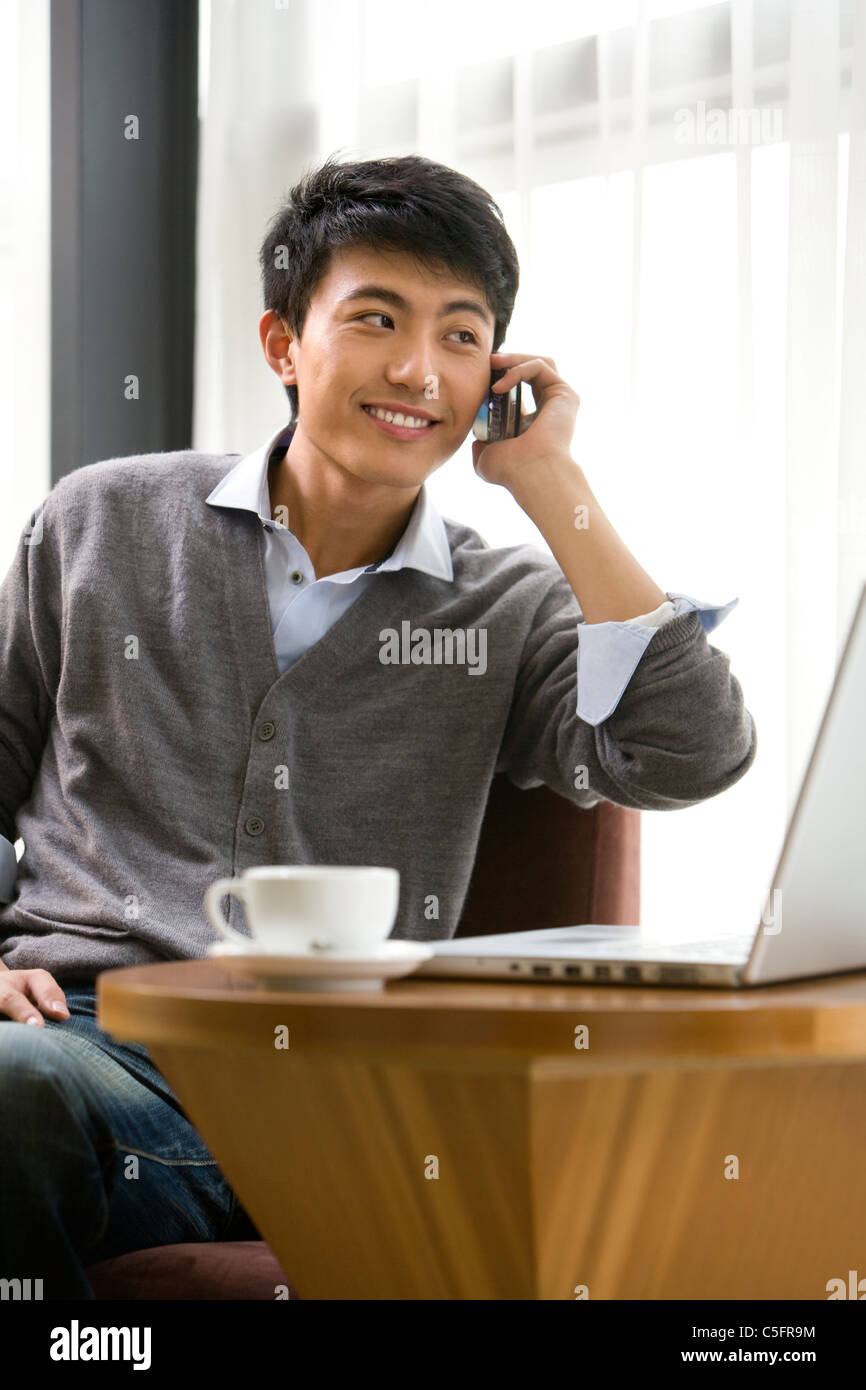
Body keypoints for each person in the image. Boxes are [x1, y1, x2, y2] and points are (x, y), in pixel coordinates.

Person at [0, 153, 757, 1299]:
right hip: (85, 1048)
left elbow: (691, 750)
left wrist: (552, 487)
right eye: (375, 318)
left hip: (341, 1097)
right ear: (281, 344)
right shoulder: (100, 519)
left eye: (462, 336)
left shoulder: (507, 604)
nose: (418, 369)